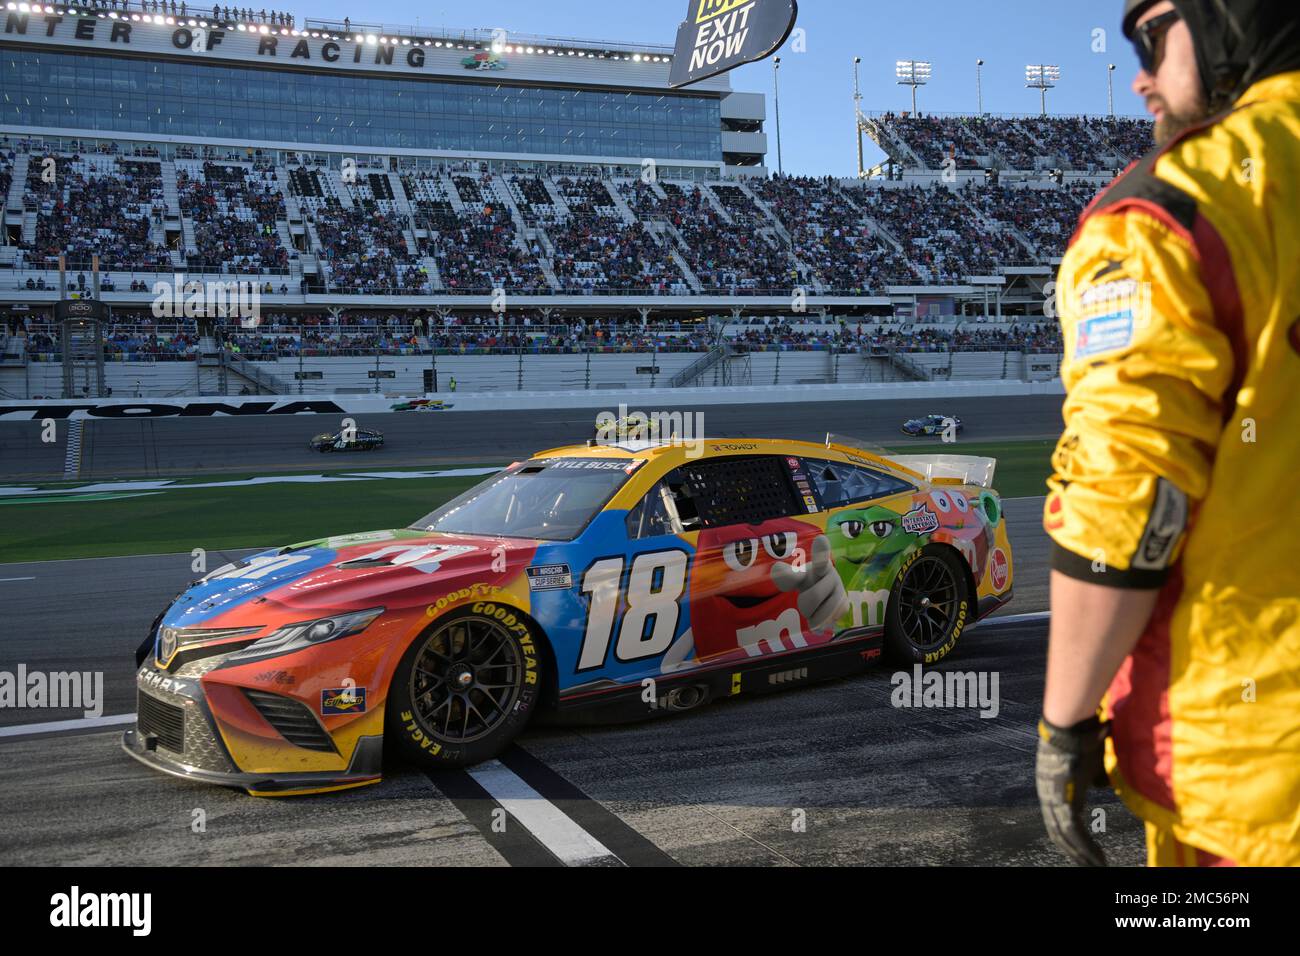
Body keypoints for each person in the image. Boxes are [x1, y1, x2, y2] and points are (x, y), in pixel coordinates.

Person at [1035, 0, 1300, 867]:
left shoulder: (1178, 207)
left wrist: (1063, 723)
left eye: (1153, 34)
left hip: (1250, 784)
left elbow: (1130, 494)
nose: (1142, 75)